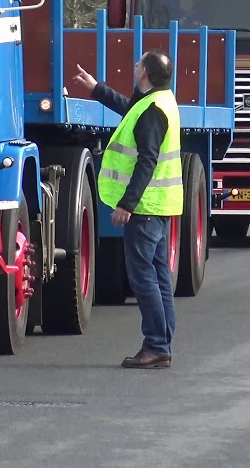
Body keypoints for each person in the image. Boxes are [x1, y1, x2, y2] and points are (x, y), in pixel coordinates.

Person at [71, 51, 182, 369]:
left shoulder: (152, 111)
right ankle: (162, 344)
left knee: (144, 277)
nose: (133, 67)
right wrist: (96, 88)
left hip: (145, 207)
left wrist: (126, 204)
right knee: (159, 278)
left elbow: (147, 160)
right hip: (160, 205)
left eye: (138, 64)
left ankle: (156, 346)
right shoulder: (158, 102)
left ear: (145, 72)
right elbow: (129, 110)